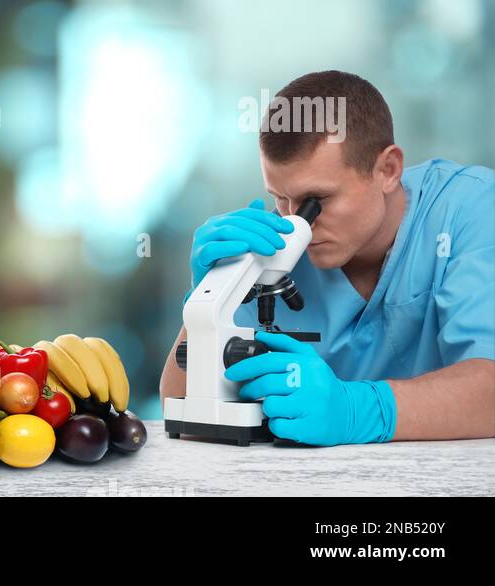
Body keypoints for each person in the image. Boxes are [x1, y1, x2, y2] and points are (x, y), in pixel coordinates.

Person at [159, 71, 494, 446]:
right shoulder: (270, 246)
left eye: (317, 200)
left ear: (387, 170)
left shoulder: (470, 211)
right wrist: (207, 304)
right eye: (280, 198)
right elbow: (182, 412)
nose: (296, 223)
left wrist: (358, 411)